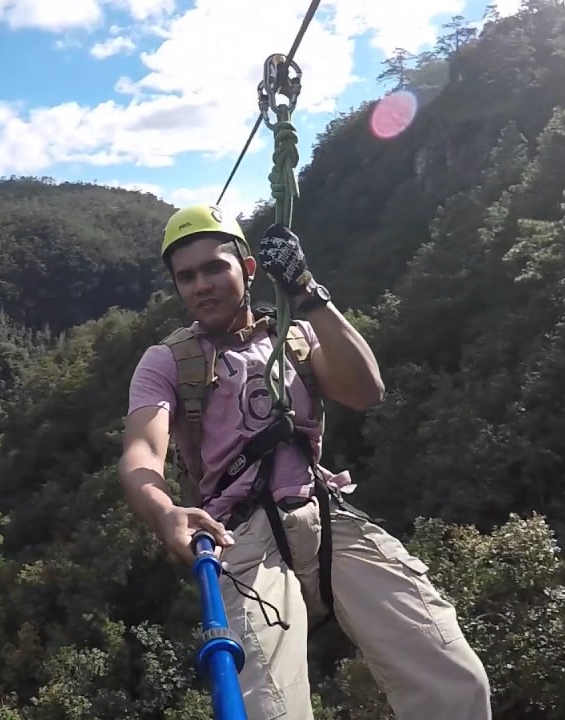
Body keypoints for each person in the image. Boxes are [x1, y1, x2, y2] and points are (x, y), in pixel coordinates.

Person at [118, 203, 492, 720]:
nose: (201, 286)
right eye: (186, 277)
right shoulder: (167, 361)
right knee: (270, 711)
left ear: (248, 269)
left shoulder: (294, 335)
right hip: (242, 536)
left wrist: (305, 292)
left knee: (453, 679)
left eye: (214, 268)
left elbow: (366, 391)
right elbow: (142, 451)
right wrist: (164, 512)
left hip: (326, 513)